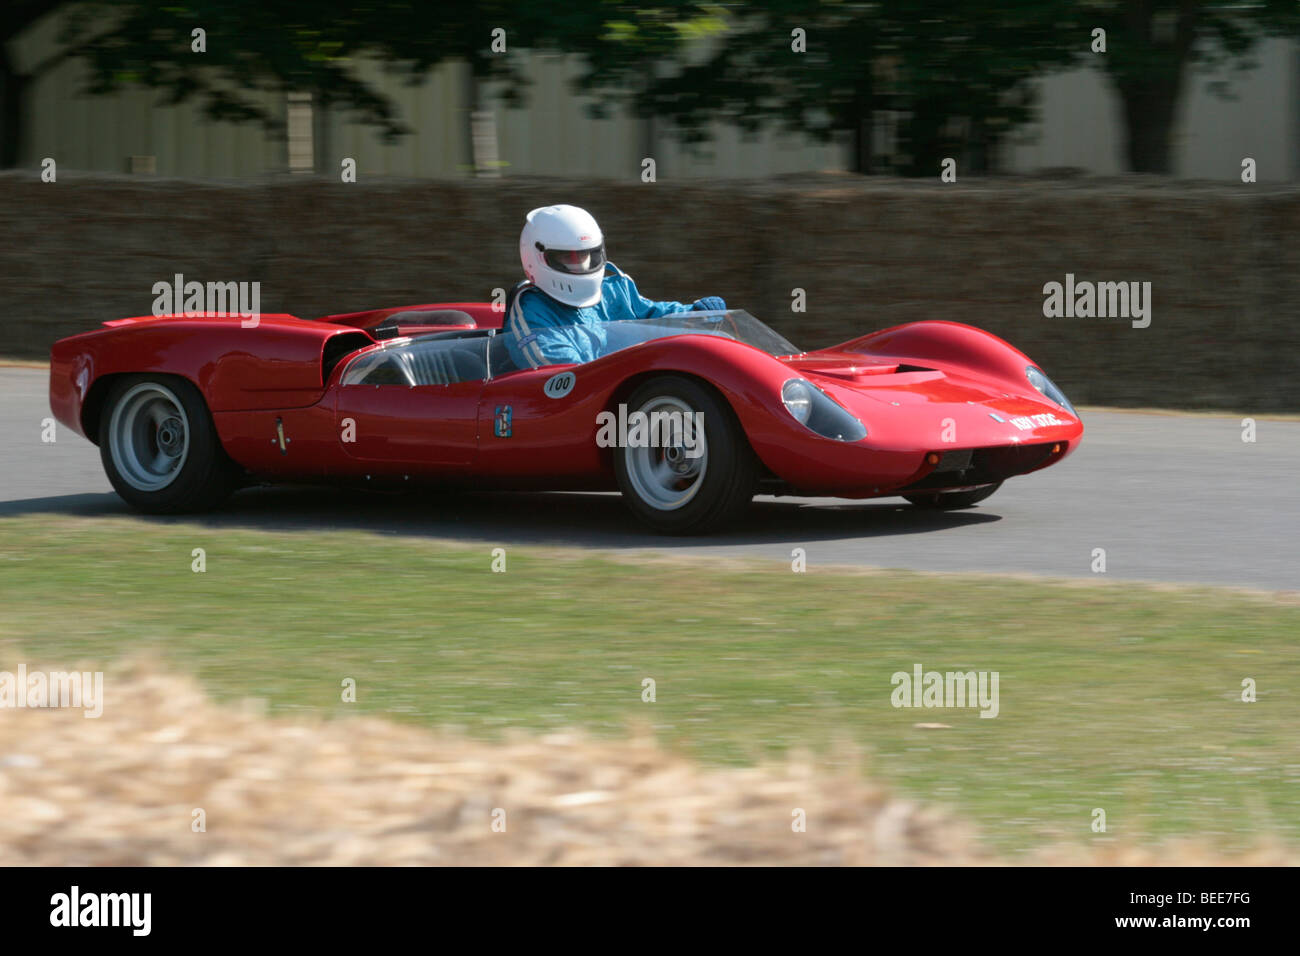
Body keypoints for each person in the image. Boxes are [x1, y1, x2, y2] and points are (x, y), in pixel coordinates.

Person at [505, 204, 726, 368]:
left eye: (586, 255)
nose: (581, 264)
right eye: (568, 257)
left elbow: (654, 317)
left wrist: (694, 315)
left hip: (624, 398)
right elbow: (562, 376)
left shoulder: (615, 291)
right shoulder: (531, 313)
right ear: (537, 257)